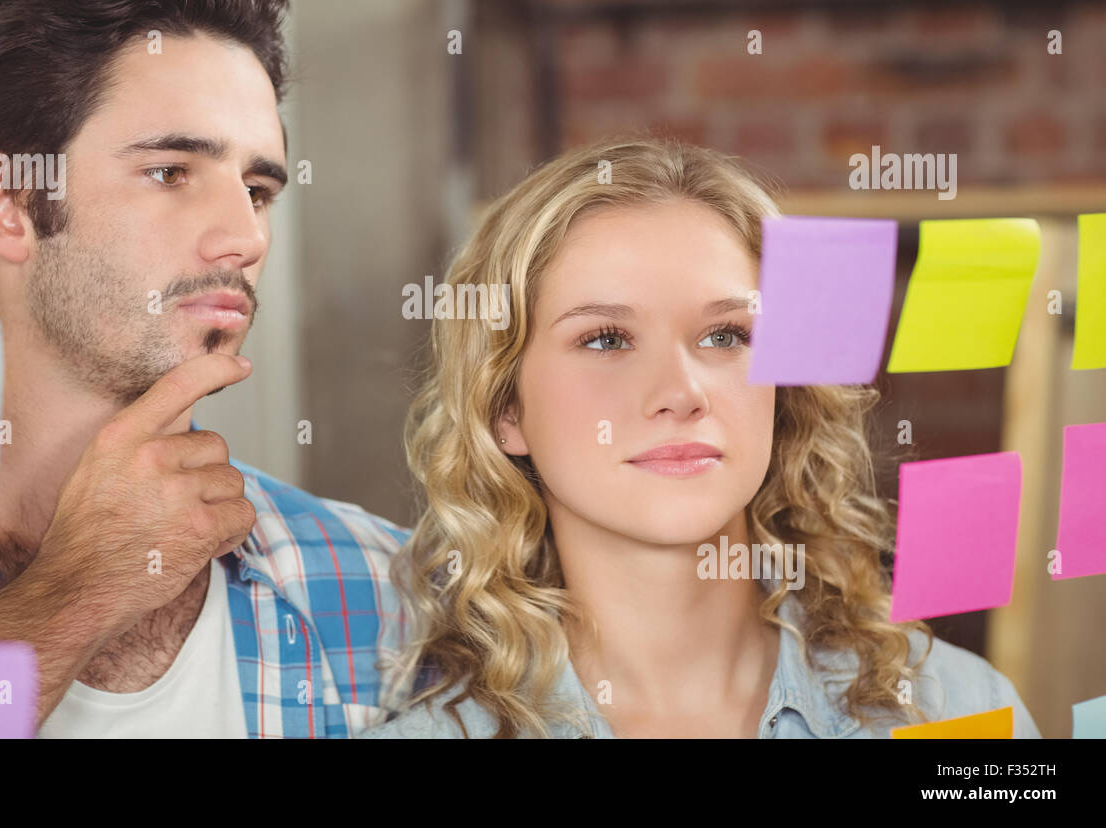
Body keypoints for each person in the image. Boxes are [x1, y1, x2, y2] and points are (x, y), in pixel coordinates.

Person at [0, 0, 406, 739]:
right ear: (10, 204)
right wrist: (77, 589)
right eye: (171, 173)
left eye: (258, 189)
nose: (244, 236)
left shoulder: (379, 588)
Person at [362, 136, 1040, 739]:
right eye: (605, 339)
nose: (681, 393)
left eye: (725, 336)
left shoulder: (960, 711)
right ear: (506, 408)